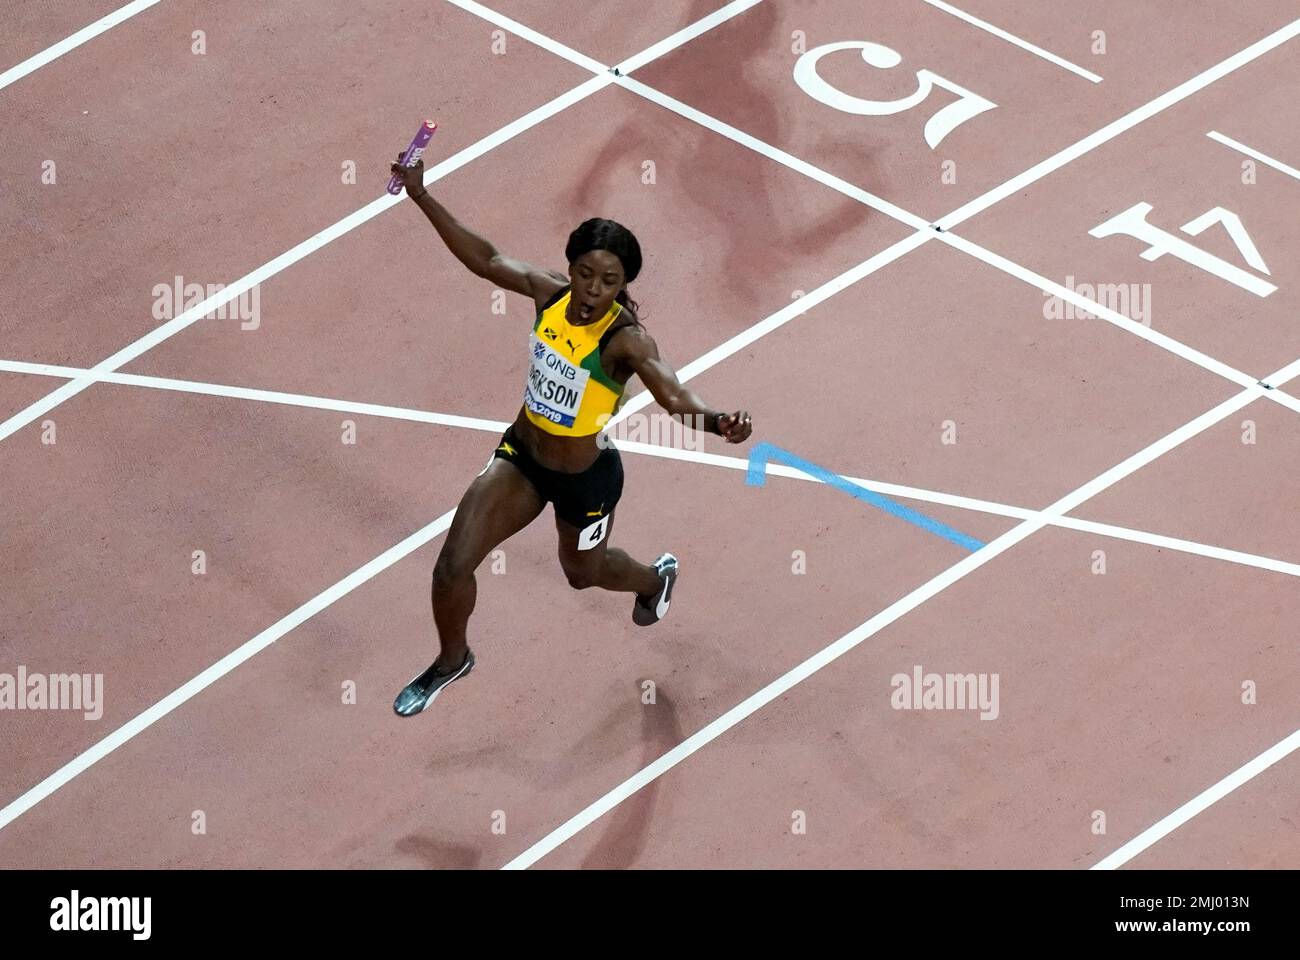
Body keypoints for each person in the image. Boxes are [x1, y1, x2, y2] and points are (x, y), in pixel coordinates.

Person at [388, 155, 753, 716]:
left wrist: (718, 420)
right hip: (522, 461)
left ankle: (654, 580)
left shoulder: (626, 342)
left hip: (587, 481)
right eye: (585, 273)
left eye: (609, 281)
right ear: (571, 267)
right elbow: (485, 260)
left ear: (624, 284)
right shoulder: (549, 294)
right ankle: (451, 659)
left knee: (583, 575)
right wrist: (421, 194)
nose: (592, 289)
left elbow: (676, 397)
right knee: (451, 566)